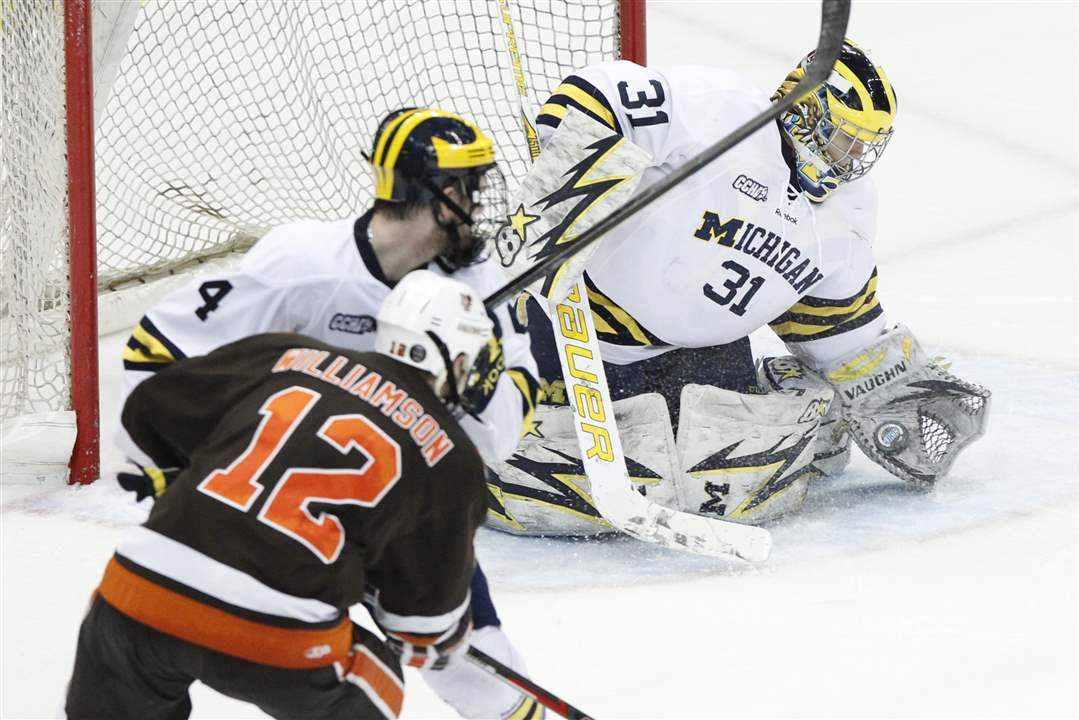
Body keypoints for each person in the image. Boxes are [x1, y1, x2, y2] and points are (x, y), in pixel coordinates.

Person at [116, 110, 543, 718]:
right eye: (468, 186)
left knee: (473, 659)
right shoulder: (305, 262)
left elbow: (491, 442)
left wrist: (477, 384)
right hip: (280, 507)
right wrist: (170, 463)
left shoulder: (477, 287)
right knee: (176, 626)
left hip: (394, 509)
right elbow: (162, 349)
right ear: (437, 194)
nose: (479, 203)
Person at [487, 40, 991, 536]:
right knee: (532, 469)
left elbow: (833, 318)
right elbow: (600, 92)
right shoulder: (723, 111)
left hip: (708, 357)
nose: (854, 158)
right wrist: (570, 181)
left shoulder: (851, 210)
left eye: (866, 147)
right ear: (807, 113)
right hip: (577, 330)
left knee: (730, 482)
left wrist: (887, 382)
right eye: (847, 138)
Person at [67, 271, 537, 719]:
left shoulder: (283, 353)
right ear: (457, 361)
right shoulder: (449, 455)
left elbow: (147, 413)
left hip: (139, 588)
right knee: (377, 684)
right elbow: (422, 632)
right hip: (272, 634)